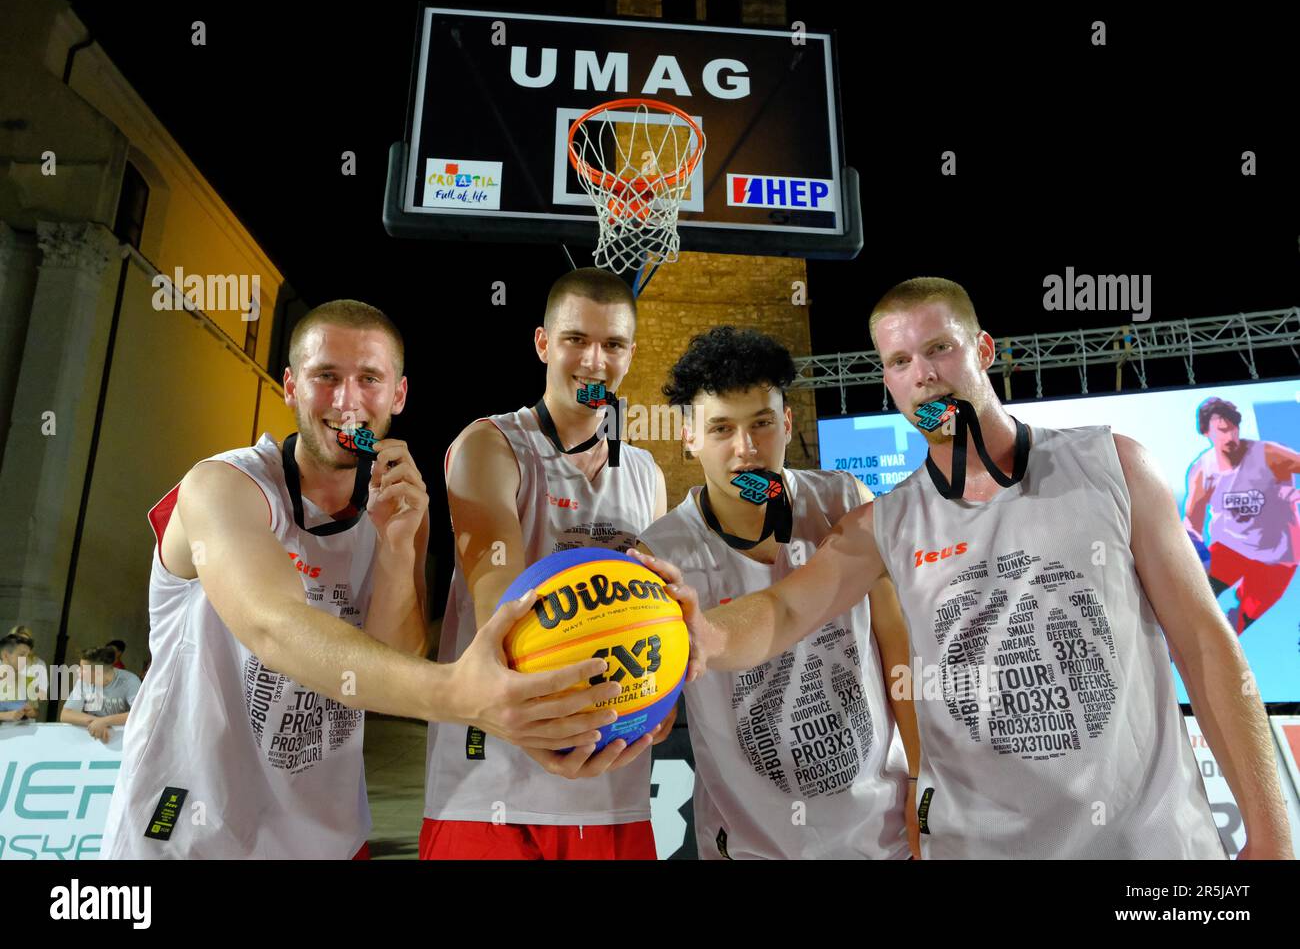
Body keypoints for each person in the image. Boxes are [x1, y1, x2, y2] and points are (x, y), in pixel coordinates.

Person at [633, 276, 1294, 859]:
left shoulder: (1113, 465)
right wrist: (698, 635)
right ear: (888, 382)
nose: (923, 373)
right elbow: (782, 611)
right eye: (899, 360)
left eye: (938, 348)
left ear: (983, 350)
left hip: (1150, 853)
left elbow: (1207, 646)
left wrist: (1273, 833)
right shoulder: (883, 525)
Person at [101, 300, 614, 859]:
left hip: (327, 839)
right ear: (292, 386)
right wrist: (462, 697)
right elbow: (274, 628)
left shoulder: (397, 513)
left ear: (398, 395)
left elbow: (391, 656)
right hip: (187, 834)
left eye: (369, 379)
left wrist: (397, 549)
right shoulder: (223, 486)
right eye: (326, 377)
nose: (347, 400)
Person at [636, 326, 919, 859]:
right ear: (688, 436)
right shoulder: (660, 555)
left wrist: (924, 780)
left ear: (786, 423)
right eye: (721, 428)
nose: (746, 448)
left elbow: (895, 639)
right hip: (753, 847)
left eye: (762, 423)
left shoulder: (842, 499)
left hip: (882, 835)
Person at [422, 268, 668, 860]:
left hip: (613, 790)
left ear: (630, 355)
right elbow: (497, 600)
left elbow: (655, 618)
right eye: (575, 340)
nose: (593, 361)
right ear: (542, 344)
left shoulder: (647, 475)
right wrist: (546, 726)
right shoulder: (491, 444)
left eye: (612, 345)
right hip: (490, 790)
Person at [1183, 397, 1300, 633]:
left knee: (1234, 625)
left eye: (1233, 429)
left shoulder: (1268, 455)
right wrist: (1197, 558)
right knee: (1187, 603)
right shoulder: (1202, 470)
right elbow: (1192, 523)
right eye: (1222, 430)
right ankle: (1167, 651)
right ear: (1206, 432)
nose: (1229, 436)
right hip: (1230, 549)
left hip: (1278, 557)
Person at [60, 646, 140, 742]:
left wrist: (105, 721)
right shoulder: (83, 681)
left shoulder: (129, 681)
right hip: (95, 739)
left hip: (124, 740)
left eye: (83, 669)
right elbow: (66, 714)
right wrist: (97, 722)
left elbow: (139, 713)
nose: (78, 672)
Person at [0, 633, 39, 722]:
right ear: (5, 655)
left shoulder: (28, 680)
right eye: (21, 655)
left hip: (25, 733)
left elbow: (36, 711)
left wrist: (32, 712)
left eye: (27, 656)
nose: (25, 659)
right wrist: (4, 715)